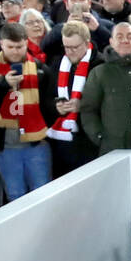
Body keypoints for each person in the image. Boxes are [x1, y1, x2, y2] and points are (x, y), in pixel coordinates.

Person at [0, 22, 55, 201]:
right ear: (1, 44)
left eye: (19, 46)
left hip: (37, 142)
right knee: (15, 195)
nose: (15, 51)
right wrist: (2, 84)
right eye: (10, 47)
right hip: (5, 145)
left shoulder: (41, 70)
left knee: (43, 192)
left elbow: (48, 105)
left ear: (26, 43)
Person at [79, 21, 131, 154]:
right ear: (111, 41)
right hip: (112, 148)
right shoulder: (99, 73)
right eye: (120, 37)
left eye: (129, 36)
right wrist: (100, 137)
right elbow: (88, 109)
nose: (125, 40)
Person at [45, 20, 101, 177]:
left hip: (88, 140)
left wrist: (82, 105)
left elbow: (106, 103)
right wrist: (56, 107)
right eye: (66, 47)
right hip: (61, 141)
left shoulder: (99, 64)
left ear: (86, 43)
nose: (70, 52)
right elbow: (47, 98)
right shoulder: (57, 64)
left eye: (75, 47)